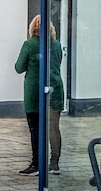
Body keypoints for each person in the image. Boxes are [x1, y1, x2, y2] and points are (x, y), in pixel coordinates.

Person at [14, 15, 65, 175]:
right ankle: (54, 163)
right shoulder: (56, 45)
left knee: (35, 129)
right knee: (53, 129)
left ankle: (36, 163)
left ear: (32, 27)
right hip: (55, 90)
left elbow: (19, 67)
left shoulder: (29, 45)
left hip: (34, 92)